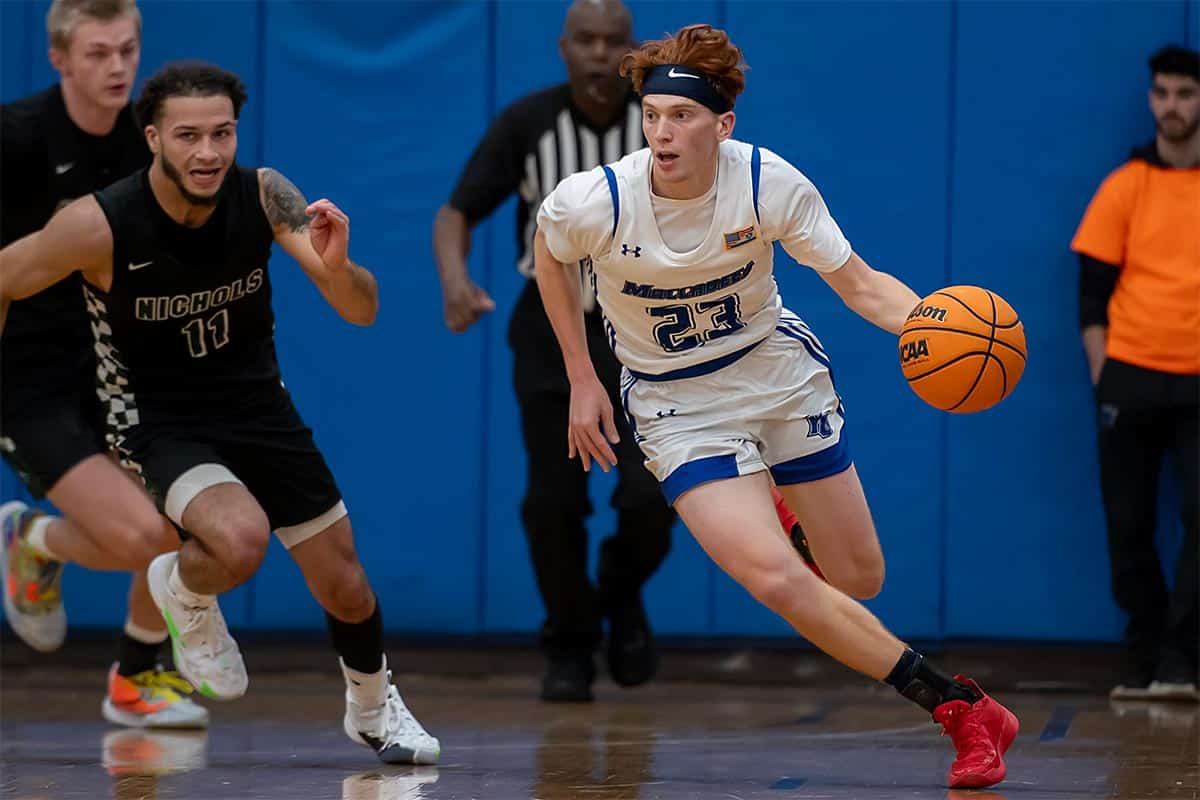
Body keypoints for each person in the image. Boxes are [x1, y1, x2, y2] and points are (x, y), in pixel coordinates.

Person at [533, 24, 1019, 789]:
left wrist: (935, 320)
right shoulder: (595, 200)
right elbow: (549, 255)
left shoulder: (769, 184)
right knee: (776, 581)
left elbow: (860, 284)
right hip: (675, 405)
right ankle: (962, 709)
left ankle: (787, 513)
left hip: (776, 376)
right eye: (653, 114)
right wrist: (581, 377)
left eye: (681, 116)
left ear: (721, 125)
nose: (662, 130)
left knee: (856, 579)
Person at [0, 61, 440, 765]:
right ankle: (186, 596)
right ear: (152, 138)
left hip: (258, 406)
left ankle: (373, 708)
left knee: (346, 584)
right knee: (239, 540)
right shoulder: (98, 223)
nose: (207, 152)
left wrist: (337, 267)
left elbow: (361, 311)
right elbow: (5, 276)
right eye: (188, 136)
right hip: (157, 418)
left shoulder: (265, 196)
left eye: (221, 134)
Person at [433, 0, 676, 703]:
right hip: (552, 333)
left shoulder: (662, 124)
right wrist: (455, 280)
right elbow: (457, 211)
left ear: (635, 50)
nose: (600, 55)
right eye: (586, 41)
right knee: (552, 501)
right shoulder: (527, 122)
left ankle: (619, 594)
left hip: (649, 336)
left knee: (654, 493)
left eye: (614, 42)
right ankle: (569, 641)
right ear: (564, 48)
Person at [0, 0, 207, 729]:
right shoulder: (16, 139)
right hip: (24, 377)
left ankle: (138, 673)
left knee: (192, 518)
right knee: (144, 539)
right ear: (59, 58)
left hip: (121, 368)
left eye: (127, 50)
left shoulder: (149, 141)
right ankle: (32, 539)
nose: (117, 67)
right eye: (97, 53)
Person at [1072, 44, 1199, 702]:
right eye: (1163, 94)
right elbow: (1090, 293)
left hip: (1199, 383)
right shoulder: (1126, 185)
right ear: (1151, 100)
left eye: (1185, 93)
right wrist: (1105, 376)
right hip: (1131, 377)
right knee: (1129, 524)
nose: (1172, 106)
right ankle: (1144, 659)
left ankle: (1182, 664)